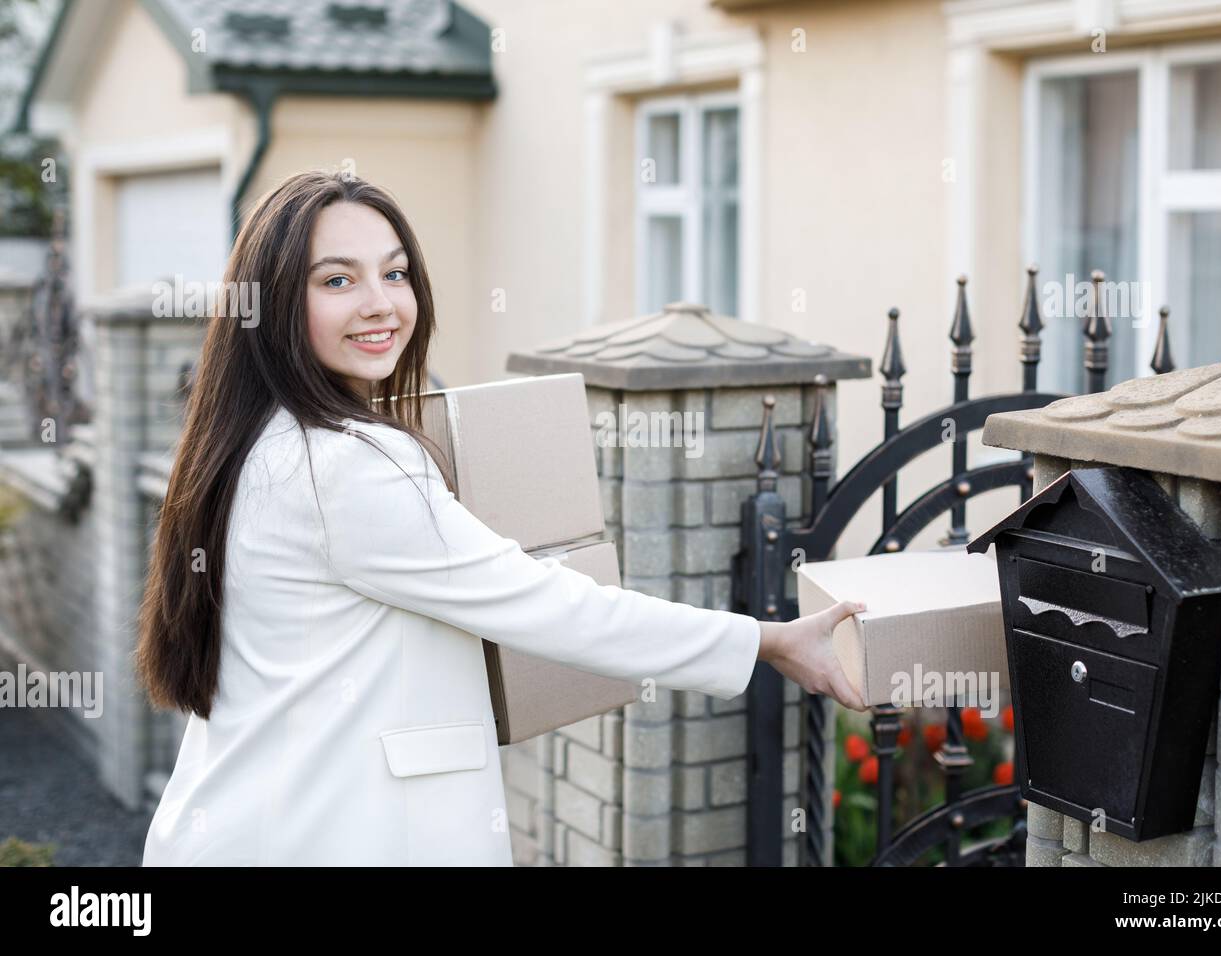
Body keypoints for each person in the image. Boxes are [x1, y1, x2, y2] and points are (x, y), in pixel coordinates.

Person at [135, 170, 867, 866]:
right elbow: (547, 605)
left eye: (394, 273)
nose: (381, 302)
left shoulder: (250, 443)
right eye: (336, 280)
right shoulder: (345, 467)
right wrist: (769, 641)